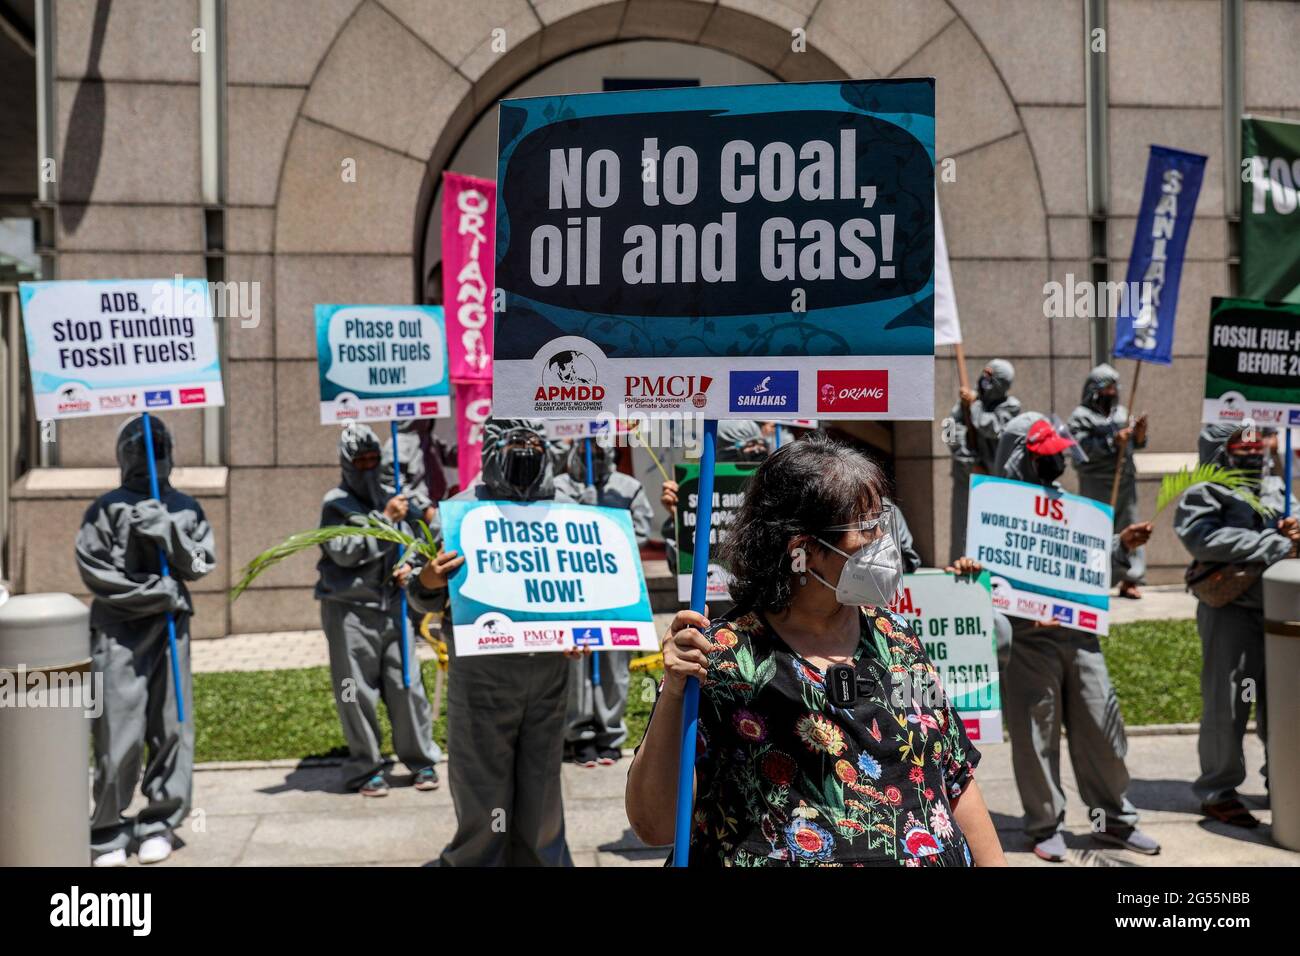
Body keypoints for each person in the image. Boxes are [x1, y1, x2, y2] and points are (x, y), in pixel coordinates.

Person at [626, 435, 1006, 866]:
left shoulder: (897, 638)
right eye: (865, 526)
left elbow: (954, 780)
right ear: (802, 552)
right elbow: (654, 824)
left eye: (882, 520)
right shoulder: (721, 659)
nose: (883, 540)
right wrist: (675, 691)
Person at [407, 419, 580, 866]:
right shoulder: (459, 512)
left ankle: (540, 859)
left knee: (542, 782)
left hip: (548, 672)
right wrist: (429, 577)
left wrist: (586, 628)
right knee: (481, 781)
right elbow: (417, 590)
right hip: (483, 672)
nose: (526, 451)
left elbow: (583, 585)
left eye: (533, 443)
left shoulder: (566, 510)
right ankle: (478, 859)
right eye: (514, 443)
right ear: (490, 450)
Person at [993, 412, 1159, 861]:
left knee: (1101, 729)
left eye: (1058, 456)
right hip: (1029, 642)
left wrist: (1121, 545)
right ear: (1021, 459)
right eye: (1046, 457)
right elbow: (991, 577)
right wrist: (1014, 604)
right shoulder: (995, 509)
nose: (1057, 464)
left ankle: (1114, 822)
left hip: (1081, 636)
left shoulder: (1066, 503)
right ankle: (1046, 826)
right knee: (1036, 738)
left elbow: (1083, 560)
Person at [76, 415, 216, 866]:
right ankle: (108, 828)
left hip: (171, 632)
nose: (147, 459)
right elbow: (96, 572)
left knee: (172, 728)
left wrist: (169, 531)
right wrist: (159, 592)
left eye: (157, 449)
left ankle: (160, 821)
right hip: (120, 633)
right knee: (118, 734)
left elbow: (199, 564)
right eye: (138, 450)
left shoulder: (186, 507)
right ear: (122, 455)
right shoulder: (104, 509)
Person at [1173, 423, 1297, 827]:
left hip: (1279, 614)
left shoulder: (1280, 487)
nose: (1252, 455)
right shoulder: (1204, 493)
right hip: (1231, 612)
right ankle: (1218, 790)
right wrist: (1273, 543)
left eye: (1256, 447)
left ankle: (1282, 781)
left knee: (1281, 705)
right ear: (1221, 453)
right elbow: (1201, 540)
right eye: (1241, 449)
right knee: (1227, 705)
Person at [315, 423, 442, 797]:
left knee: (407, 685)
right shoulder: (335, 503)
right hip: (350, 610)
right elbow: (343, 551)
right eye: (360, 460)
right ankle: (366, 765)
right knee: (356, 691)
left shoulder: (398, 495)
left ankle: (420, 760)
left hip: (394, 607)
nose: (368, 466)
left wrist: (411, 564)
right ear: (346, 463)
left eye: (374, 459)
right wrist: (385, 520)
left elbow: (426, 537)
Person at [554, 438, 654, 767]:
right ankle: (579, 733)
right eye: (588, 449)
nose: (594, 456)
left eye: (600, 450)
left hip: (615, 588)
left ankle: (610, 732)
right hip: (573, 589)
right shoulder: (558, 487)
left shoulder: (628, 487)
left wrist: (605, 526)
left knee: (614, 664)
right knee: (577, 663)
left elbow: (641, 529)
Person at [1069, 364, 1148, 599]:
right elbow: (1079, 449)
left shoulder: (1122, 414)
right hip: (1096, 482)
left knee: (1129, 528)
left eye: (1115, 387)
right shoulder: (1080, 417)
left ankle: (1129, 578)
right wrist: (1113, 441)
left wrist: (1139, 434)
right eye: (1107, 388)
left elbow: (1138, 444)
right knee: (1095, 529)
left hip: (1124, 480)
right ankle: (1096, 576)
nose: (1112, 393)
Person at [660, 419, 769, 575]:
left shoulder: (777, 493)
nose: (756, 453)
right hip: (712, 593)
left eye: (759, 447)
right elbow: (682, 567)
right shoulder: (698, 495)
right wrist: (680, 517)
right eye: (748, 448)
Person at [945, 359, 1021, 562]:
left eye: (990, 377)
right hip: (966, 475)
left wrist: (974, 406)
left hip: (994, 479)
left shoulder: (1010, 407)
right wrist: (967, 459)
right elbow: (948, 429)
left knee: (991, 527)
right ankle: (959, 565)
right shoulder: (965, 404)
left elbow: (993, 428)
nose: (984, 380)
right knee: (962, 524)